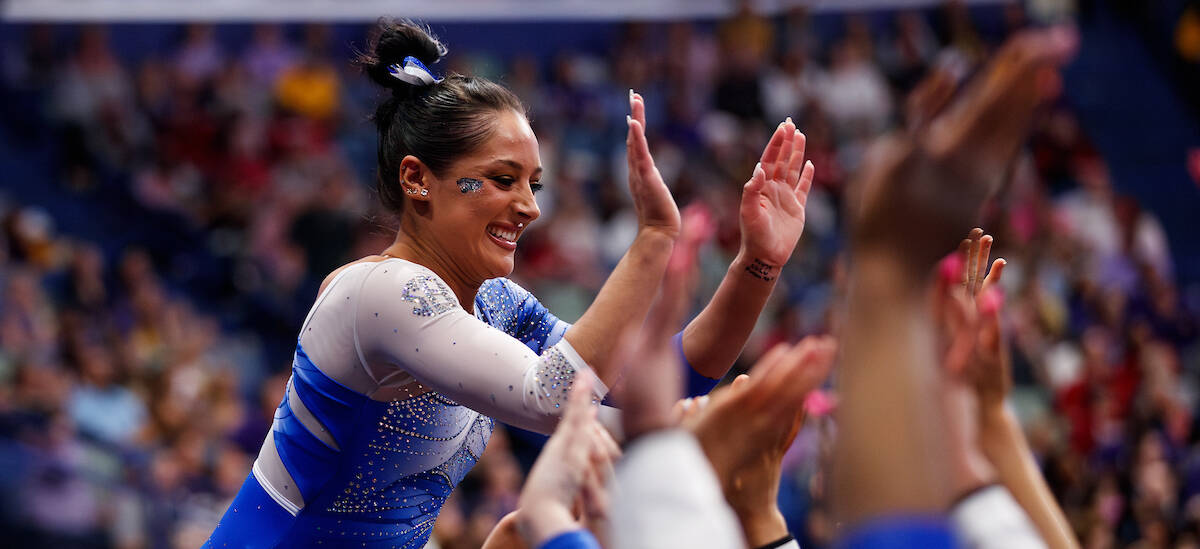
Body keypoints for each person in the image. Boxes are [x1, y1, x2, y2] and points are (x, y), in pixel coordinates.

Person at [205, 19, 817, 549]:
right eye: (502, 179)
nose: (528, 207)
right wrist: (654, 237)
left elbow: (640, 389)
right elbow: (551, 397)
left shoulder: (495, 305)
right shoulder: (380, 294)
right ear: (418, 179)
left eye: (535, 185)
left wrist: (756, 265)